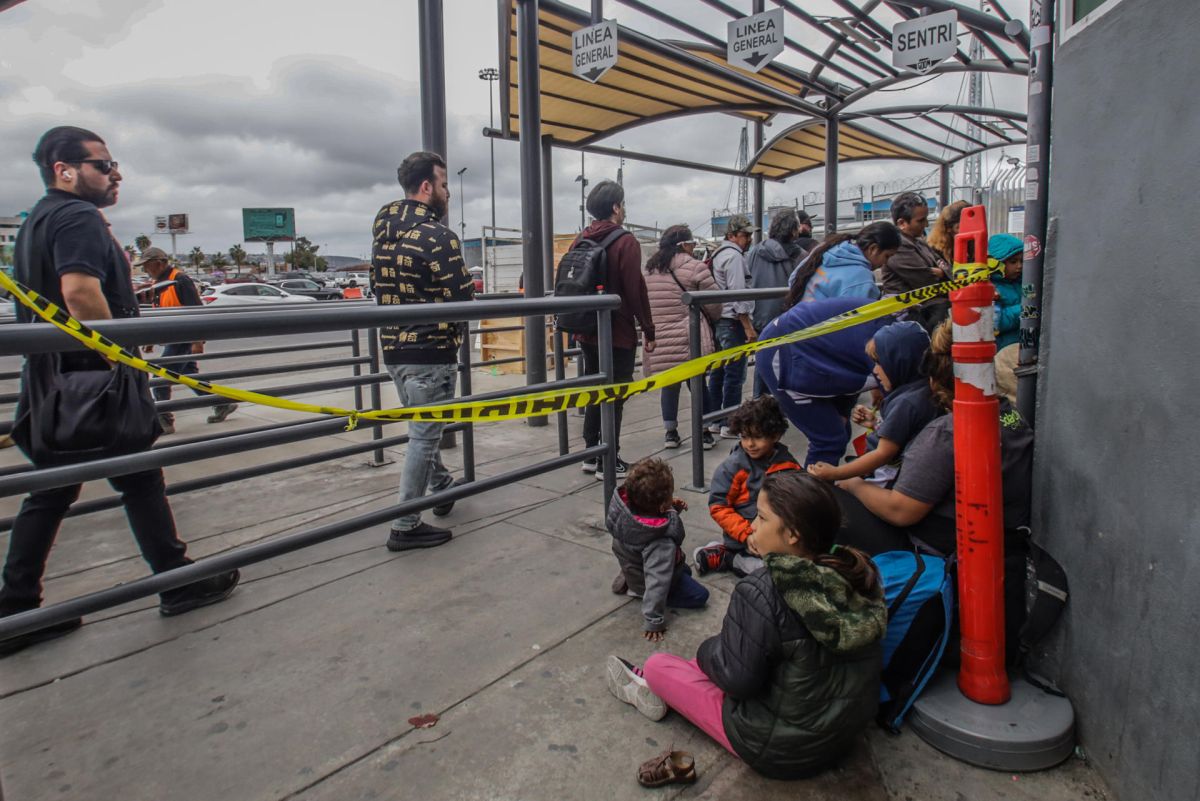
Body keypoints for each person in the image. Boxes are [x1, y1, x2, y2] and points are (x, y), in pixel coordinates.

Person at [1, 126, 239, 657]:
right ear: (66, 170)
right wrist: (120, 351)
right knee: (132, 480)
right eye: (104, 166)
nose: (117, 175)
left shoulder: (36, 221)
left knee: (58, 489)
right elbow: (80, 291)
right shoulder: (76, 216)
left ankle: (16, 607)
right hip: (92, 382)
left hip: (54, 381)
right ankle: (174, 582)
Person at [605, 471, 886, 780]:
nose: (752, 525)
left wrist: (708, 651)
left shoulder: (763, 590)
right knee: (739, 649)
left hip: (780, 748)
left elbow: (737, 680)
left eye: (762, 518)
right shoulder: (857, 572)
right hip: (841, 733)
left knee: (661, 665)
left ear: (792, 534)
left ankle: (646, 684)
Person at [833, 319, 1033, 655]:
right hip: (991, 544)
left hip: (941, 551)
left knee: (827, 503)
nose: (876, 369)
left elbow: (901, 510)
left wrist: (851, 486)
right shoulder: (1009, 415)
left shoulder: (947, 431)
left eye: (880, 362)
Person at [371, 150, 475, 551]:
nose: (448, 193)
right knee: (424, 435)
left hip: (394, 348)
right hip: (431, 350)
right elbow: (463, 296)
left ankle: (442, 487)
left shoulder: (382, 230)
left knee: (422, 430)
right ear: (428, 187)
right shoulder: (439, 237)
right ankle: (405, 523)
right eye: (445, 185)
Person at [573, 179, 656, 479]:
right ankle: (609, 457)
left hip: (586, 328)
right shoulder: (626, 241)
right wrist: (648, 328)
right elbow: (635, 291)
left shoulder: (581, 238)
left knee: (596, 388)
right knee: (616, 393)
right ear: (616, 207)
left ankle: (591, 453)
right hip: (617, 331)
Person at [756, 297, 891, 467]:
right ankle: (811, 491)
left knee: (840, 429)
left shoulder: (899, 330)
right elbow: (898, 423)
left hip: (830, 355)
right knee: (829, 439)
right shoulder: (894, 344)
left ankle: (824, 485)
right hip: (784, 354)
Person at [808, 321, 939, 486]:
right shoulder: (920, 390)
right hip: (893, 474)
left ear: (900, 362)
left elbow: (882, 454)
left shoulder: (906, 403)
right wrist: (876, 423)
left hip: (885, 481)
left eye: (879, 362)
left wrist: (836, 473)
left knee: (839, 490)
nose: (875, 370)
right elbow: (905, 433)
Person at [694, 396, 800, 577]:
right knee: (767, 574)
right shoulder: (733, 467)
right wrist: (746, 534)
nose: (750, 443)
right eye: (744, 436)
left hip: (778, 538)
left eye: (758, 437)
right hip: (745, 540)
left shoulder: (787, 463)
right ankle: (727, 557)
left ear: (775, 435)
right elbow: (719, 507)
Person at [606, 458, 710, 641]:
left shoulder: (624, 513)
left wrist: (672, 508)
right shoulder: (661, 542)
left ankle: (631, 580)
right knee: (700, 595)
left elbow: (650, 519)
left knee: (684, 570)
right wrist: (653, 619)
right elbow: (657, 580)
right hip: (649, 580)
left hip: (634, 564)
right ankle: (639, 591)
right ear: (662, 506)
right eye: (670, 496)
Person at [136, 246, 237, 434]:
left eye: (147, 266)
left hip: (183, 337)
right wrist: (151, 338)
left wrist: (197, 341)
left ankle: (164, 419)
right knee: (190, 376)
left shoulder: (180, 280)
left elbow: (196, 311)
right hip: (173, 336)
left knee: (161, 378)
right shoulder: (158, 282)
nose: (145, 270)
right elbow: (159, 311)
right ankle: (221, 404)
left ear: (158, 263)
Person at [641, 225, 718, 450]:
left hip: (660, 336)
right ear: (684, 245)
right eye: (692, 244)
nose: (694, 249)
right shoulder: (695, 266)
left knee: (669, 384)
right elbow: (715, 302)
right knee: (698, 384)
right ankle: (703, 432)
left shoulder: (649, 269)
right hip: (689, 334)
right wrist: (712, 321)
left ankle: (670, 433)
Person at [706, 215, 758, 438]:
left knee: (719, 372)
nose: (749, 239)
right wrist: (748, 326)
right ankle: (731, 423)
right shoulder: (734, 257)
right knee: (735, 374)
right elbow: (739, 294)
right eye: (745, 235)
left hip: (720, 321)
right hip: (733, 321)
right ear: (732, 236)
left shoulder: (718, 254)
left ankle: (715, 420)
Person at [880, 192, 951, 330]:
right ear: (902, 223)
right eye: (920, 220)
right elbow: (926, 281)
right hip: (911, 316)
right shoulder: (898, 245)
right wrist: (943, 274)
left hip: (927, 309)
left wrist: (943, 272)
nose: (925, 224)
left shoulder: (918, 241)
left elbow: (945, 266)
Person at [787, 221, 900, 303]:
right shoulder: (861, 279)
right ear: (873, 249)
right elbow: (860, 326)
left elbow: (794, 279)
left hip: (799, 323)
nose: (886, 262)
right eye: (887, 256)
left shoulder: (828, 247)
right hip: (824, 333)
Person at [748, 209, 801, 334]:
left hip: (757, 320)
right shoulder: (799, 255)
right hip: (786, 322)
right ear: (793, 231)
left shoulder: (755, 251)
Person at [988, 233, 1024, 350]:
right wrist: (1025, 310)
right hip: (1003, 349)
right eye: (1013, 262)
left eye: (1022, 261)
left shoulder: (1022, 282)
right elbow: (997, 322)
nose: (1019, 266)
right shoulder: (991, 289)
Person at [926, 199, 969, 265]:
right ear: (948, 228)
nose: (968, 231)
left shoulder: (972, 244)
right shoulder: (933, 250)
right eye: (960, 227)